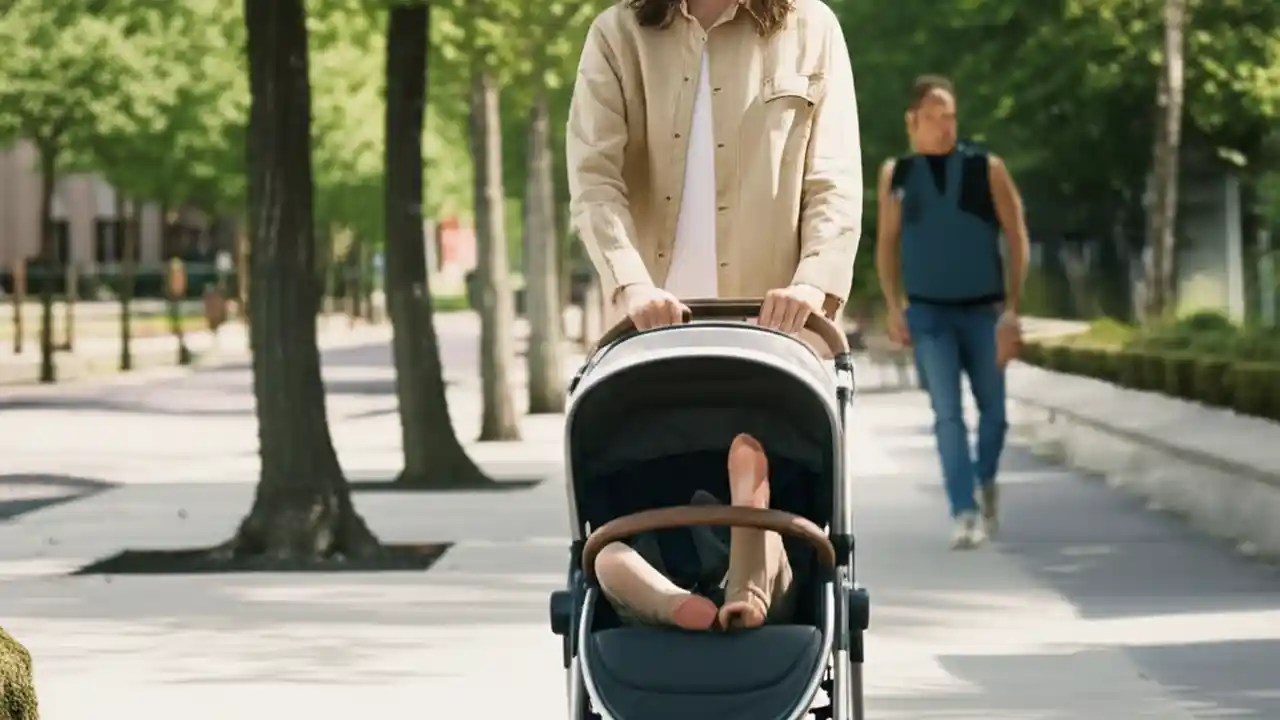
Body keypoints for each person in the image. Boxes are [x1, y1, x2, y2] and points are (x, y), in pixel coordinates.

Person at [566, 0, 863, 627]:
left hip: (773, 345)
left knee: (785, 516)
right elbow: (595, 179)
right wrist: (632, 284)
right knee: (623, 536)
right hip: (652, 350)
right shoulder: (618, 36)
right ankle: (691, 591)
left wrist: (812, 285)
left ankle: (752, 549)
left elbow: (833, 183)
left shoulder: (811, 29)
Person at [875, 75, 1029, 550]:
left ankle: (983, 483)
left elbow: (1018, 237)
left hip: (984, 314)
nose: (944, 127)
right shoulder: (897, 175)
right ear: (912, 121)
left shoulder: (987, 168)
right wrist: (892, 304)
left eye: (950, 117)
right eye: (934, 118)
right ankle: (963, 512)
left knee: (996, 416)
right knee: (947, 414)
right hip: (928, 316)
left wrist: (1012, 312)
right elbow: (886, 244)